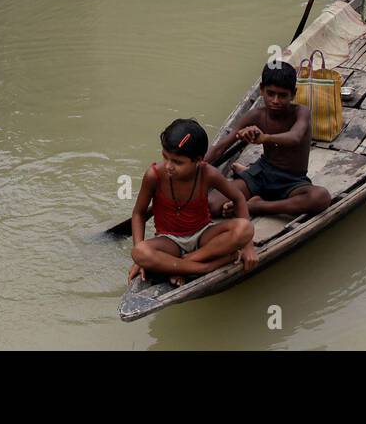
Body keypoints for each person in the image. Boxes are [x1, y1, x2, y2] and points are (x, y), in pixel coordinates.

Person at [129, 119, 257, 286]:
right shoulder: (154, 175)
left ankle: (184, 264)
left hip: (203, 235)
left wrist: (248, 248)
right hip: (169, 241)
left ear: (198, 160)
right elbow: (138, 214)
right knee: (139, 252)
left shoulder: (208, 173)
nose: (169, 166)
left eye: (178, 162)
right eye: (166, 157)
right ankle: (206, 267)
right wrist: (139, 261)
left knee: (245, 228)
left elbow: (238, 198)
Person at [207, 62, 331, 219]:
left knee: (321, 198)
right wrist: (192, 167)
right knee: (211, 205)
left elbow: (295, 137)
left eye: (282, 95)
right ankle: (247, 177)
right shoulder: (256, 115)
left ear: (293, 94)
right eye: (270, 93)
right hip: (262, 174)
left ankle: (257, 206)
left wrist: (265, 138)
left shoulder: (301, 112)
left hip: (292, 181)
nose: (276, 100)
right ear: (261, 90)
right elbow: (220, 147)